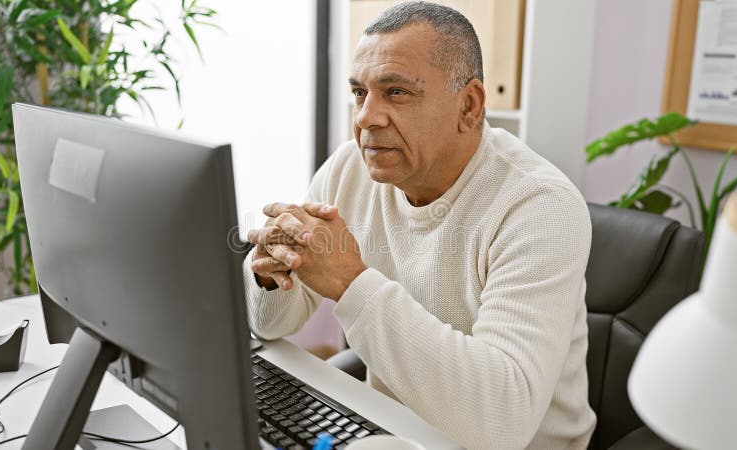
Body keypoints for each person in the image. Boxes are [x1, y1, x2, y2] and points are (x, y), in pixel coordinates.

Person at [244, 2, 596, 449]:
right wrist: (269, 276)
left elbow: (501, 424)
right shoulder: (350, 170)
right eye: (359, 92)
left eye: (396, 92)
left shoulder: (540, 207)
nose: (365, 117)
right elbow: (271, 326)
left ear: (469, 106)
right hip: (394, 433)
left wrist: (351, 283)